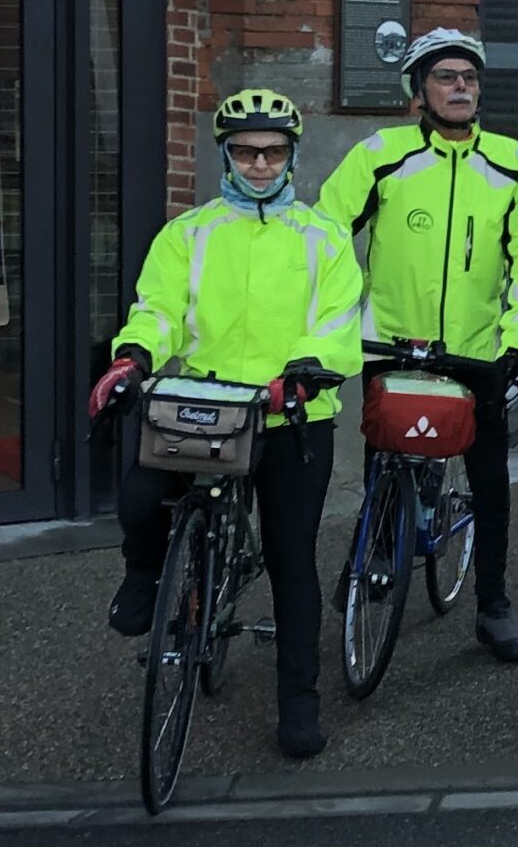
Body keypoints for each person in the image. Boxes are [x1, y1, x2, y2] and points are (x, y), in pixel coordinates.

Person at [91, 89, 363, 760]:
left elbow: (338, 321)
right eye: (246, 151)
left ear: (292, 155)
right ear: (225, 156)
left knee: (289, 559)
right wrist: (133, 358)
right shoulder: (189, 233)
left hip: (292, 411)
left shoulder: (321, 235)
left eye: (273, 152)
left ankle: (298, 704)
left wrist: (307, 370)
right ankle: (144, 572)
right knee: (140, 497)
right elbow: (158, 308)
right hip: (205, 404)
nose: (261, 164)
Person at [315, 28, 518, 664]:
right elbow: (326, 237)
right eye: (447, 77)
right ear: (419, 90)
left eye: (469, 78)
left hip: (476, 353)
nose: (461, 87)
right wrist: (338, 325)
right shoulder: (380, 154)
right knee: (382, 462)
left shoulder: (510, 162)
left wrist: (517, 344)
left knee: (491, 482)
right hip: (390, 342)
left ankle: (493, 604)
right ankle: (374, 558)